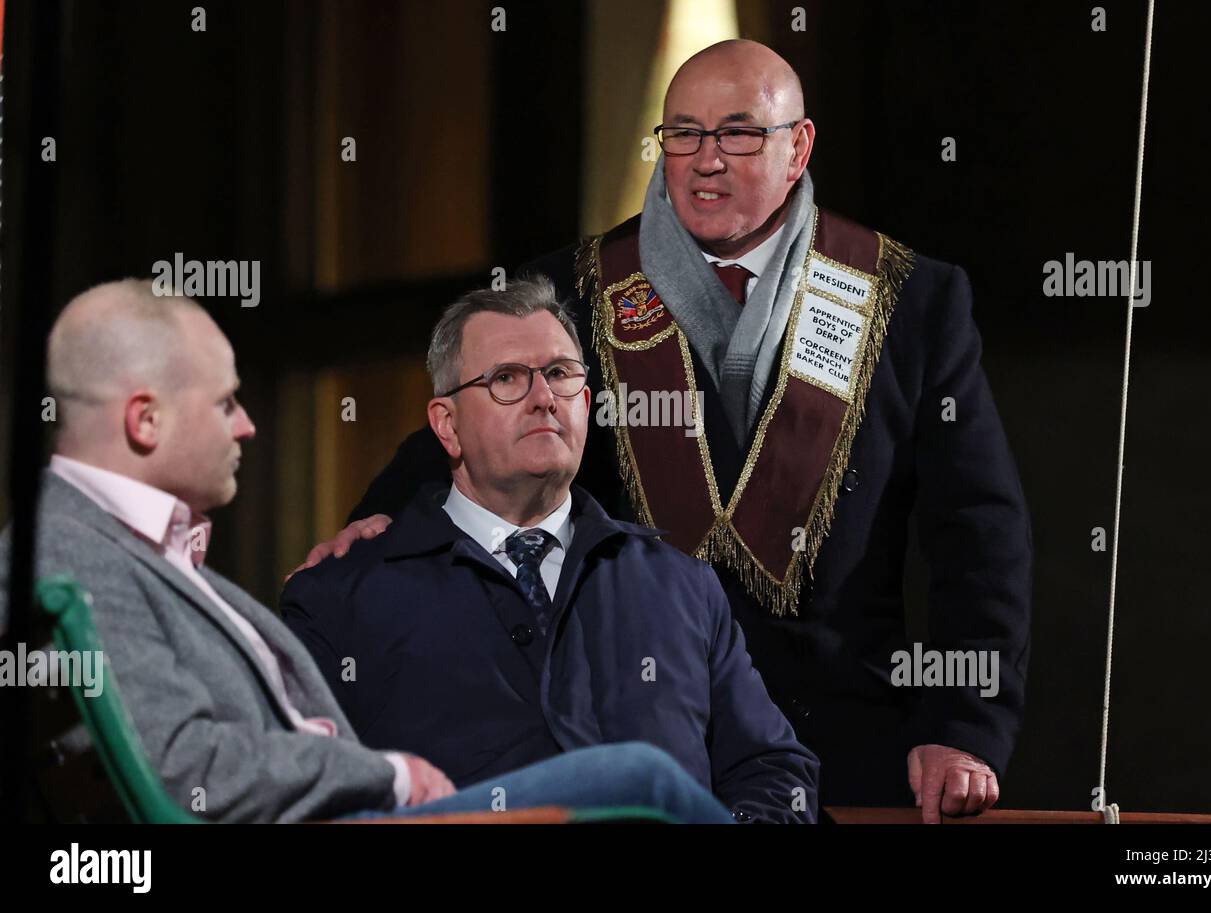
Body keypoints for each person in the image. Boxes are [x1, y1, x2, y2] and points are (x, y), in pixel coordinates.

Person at [299, 40, 1032, 822]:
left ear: (799, 147)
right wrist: (374, 524)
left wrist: (962, 723)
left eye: (739, 133)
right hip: (638, 728)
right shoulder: (575, 289)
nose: (705, 160)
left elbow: (977, 530)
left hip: (844, 744)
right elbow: (484, 421)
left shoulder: (909, 300)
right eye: (683, 133)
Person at [0, 280, 735, 824]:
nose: (248, 425)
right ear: (145, 419)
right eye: (226, 402)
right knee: (644, 779)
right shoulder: (67, 554)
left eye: (560, 375)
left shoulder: (122, 549)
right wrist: (389, 774)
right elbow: (188, 765)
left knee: (642, 780)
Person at [281, 278, 819, 824]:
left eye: (560, 374)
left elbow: (771, 771)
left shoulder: (682, 587)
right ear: (448, 425)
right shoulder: (340, 598)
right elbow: (296, 791)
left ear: (585, 404)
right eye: (506, 379)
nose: (543, 398)